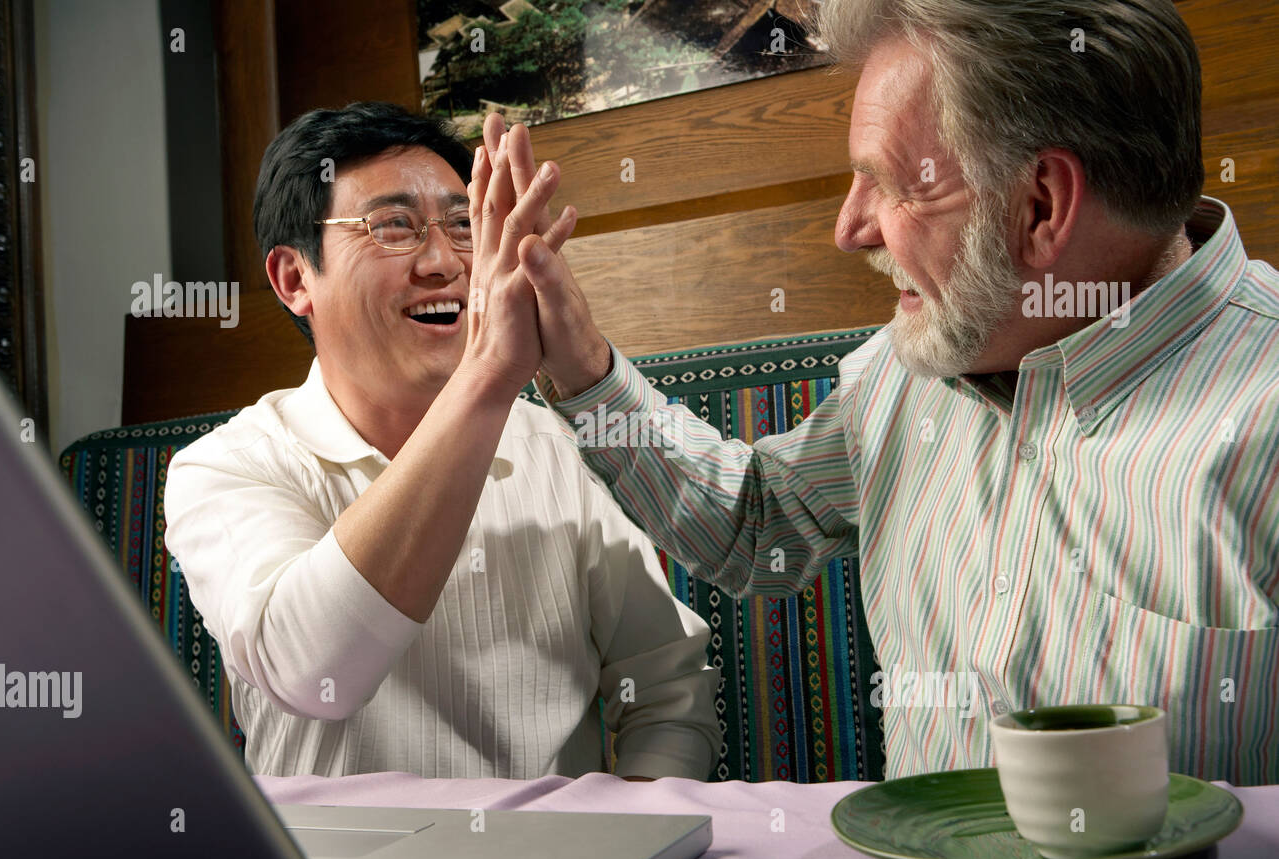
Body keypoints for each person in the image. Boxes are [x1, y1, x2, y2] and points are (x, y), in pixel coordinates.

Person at [491, 0, 1279, 784]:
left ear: (1042, 204)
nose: (851, 228)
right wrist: (582, 367)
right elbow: (753, 524)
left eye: (894, 186)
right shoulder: (896, 378)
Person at [162, 102, 721, 781]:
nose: (444, 262)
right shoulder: (226, 467)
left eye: (464, 226)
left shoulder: (558, 449)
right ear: (294, 279)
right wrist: (488, 376)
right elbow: (311, 672)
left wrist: (633, 835)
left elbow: (668, 688)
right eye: (393, 226)